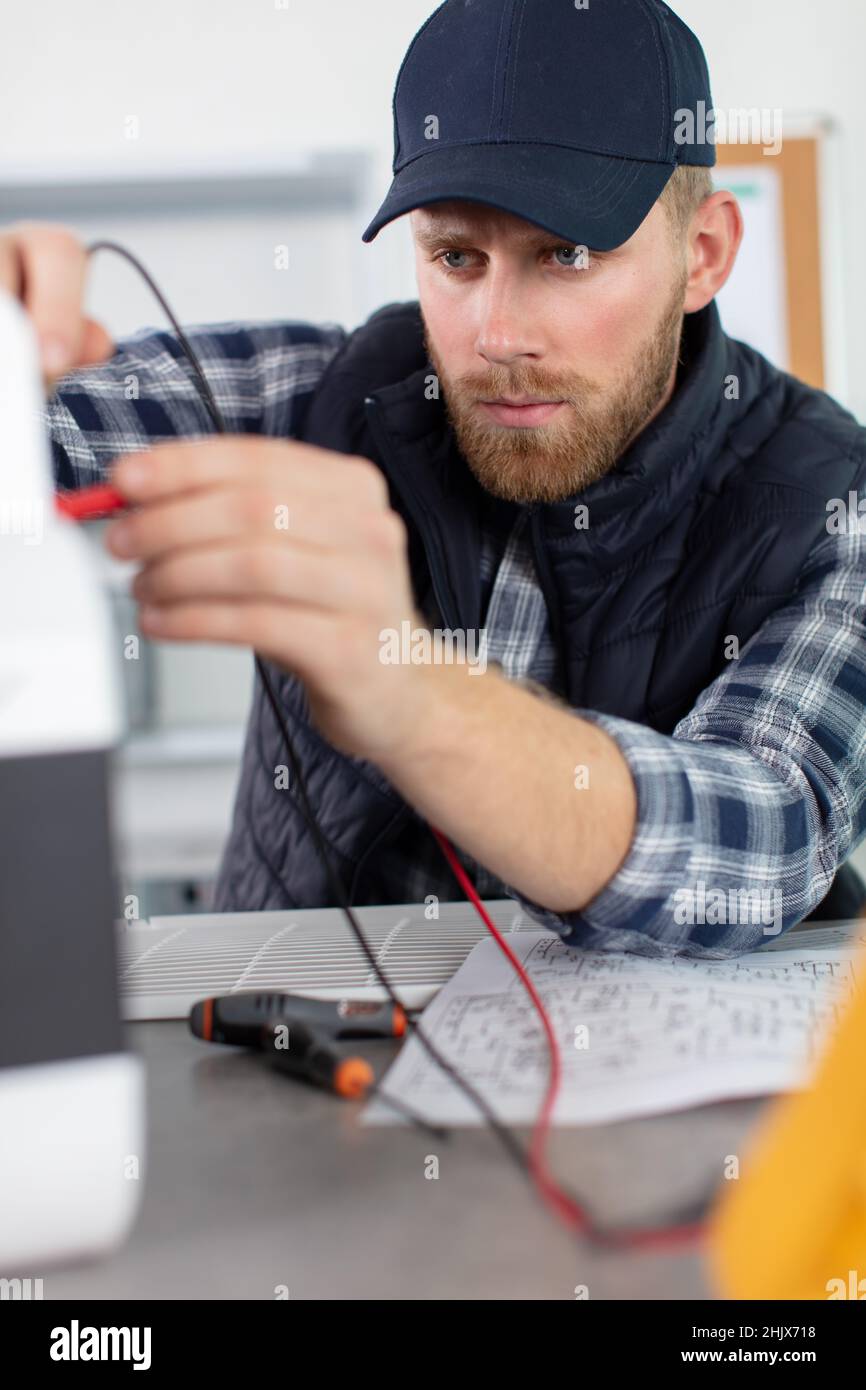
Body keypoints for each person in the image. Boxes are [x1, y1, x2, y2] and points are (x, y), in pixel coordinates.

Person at [3, 0, 865, 957]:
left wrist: (408, 694)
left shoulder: (832, 504)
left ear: (702, 255)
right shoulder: (323, 397)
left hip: (643, 1098)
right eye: (456, 256)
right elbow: (42, 439)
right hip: (278, 1052)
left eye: (567, 255)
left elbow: (761, 840)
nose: (497, 338)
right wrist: (13, 359)